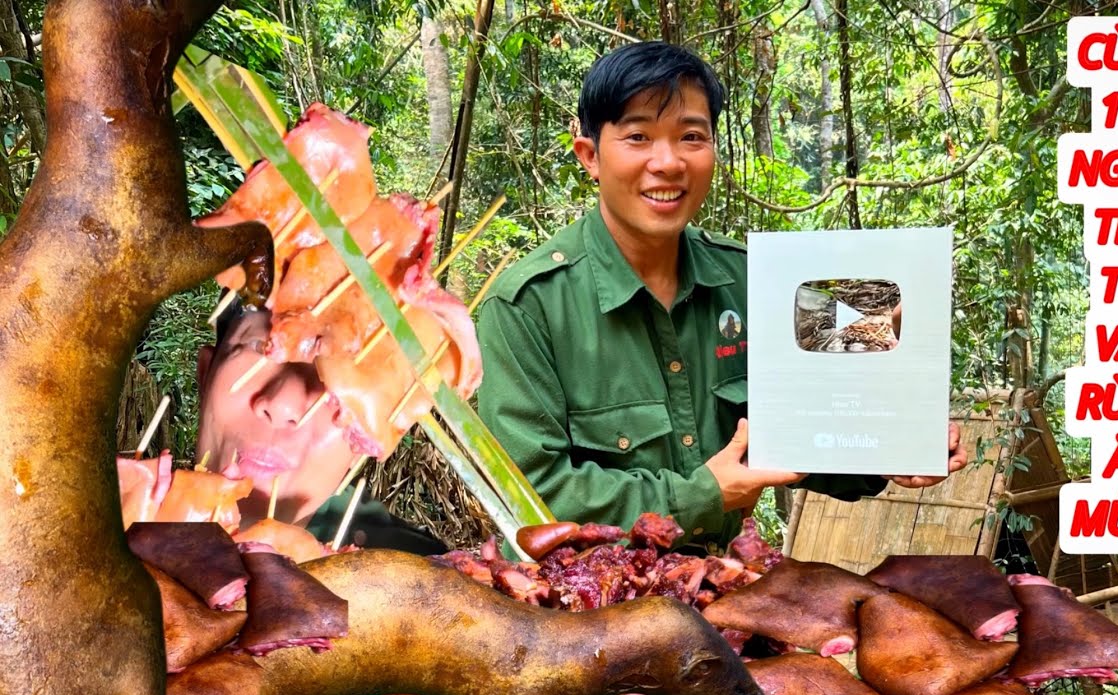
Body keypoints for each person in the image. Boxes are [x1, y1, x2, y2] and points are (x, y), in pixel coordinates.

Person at [476, 42, 966, 553]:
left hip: (715, 593)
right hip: (581, 608)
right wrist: (702, 495)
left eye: (691, 136)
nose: (667, 162)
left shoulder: (751, 280)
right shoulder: (526, 308)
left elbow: (805, 430)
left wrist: (889, 445)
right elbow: (529, 498)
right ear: (591, 156)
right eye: (638, 136)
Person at [195, 299, 447, 555]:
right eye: (261, 346)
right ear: (205, 375)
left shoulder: (423, 581)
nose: (282, 405)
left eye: (341, 375)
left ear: (368, 436)